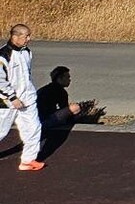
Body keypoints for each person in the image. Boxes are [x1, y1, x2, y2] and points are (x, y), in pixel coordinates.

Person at [1, 24, 44, 171]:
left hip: (28, 99)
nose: (29, 39)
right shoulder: (3, 56)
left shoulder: (27, 53)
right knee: (1, 131)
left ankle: (28, 160)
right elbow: (0, 81)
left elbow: (26, 76)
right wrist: (13, 98)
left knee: (34, 128)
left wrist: (28, 95)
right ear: (15, 36)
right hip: (7, 102)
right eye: (26, 36)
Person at [37, 66, 81, 131]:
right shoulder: (60, 91)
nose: (69, 80)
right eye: (67, 77)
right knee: (75, 107)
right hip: (45, 121)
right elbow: (65, 109)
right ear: (60, 78)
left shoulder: (44, 89)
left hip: (35, 120)